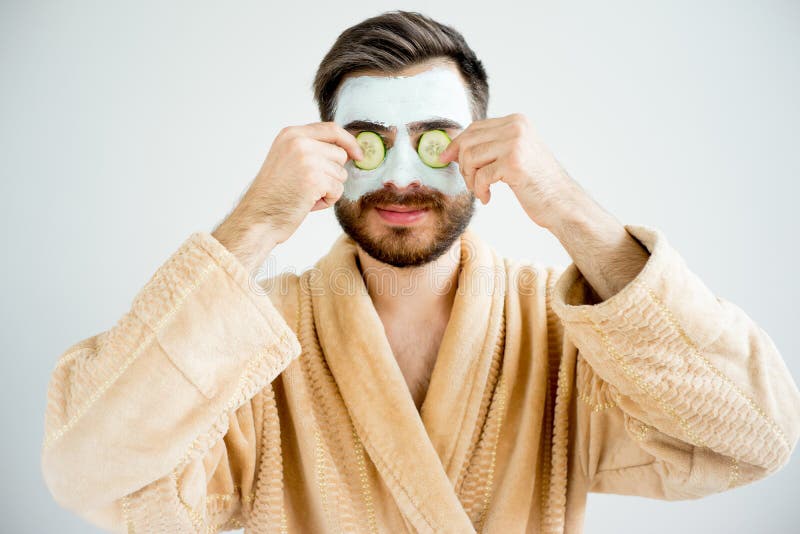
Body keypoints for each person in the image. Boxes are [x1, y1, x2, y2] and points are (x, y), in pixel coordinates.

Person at [41, 10, 800, 534]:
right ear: (327, 156)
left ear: (485, 152)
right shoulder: (251, 345)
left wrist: (568, 206)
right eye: (369, 142)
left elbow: (754, 434)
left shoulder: (563, 338)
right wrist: (255, 222)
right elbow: (89, 473)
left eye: (435, 142)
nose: (402, 178)